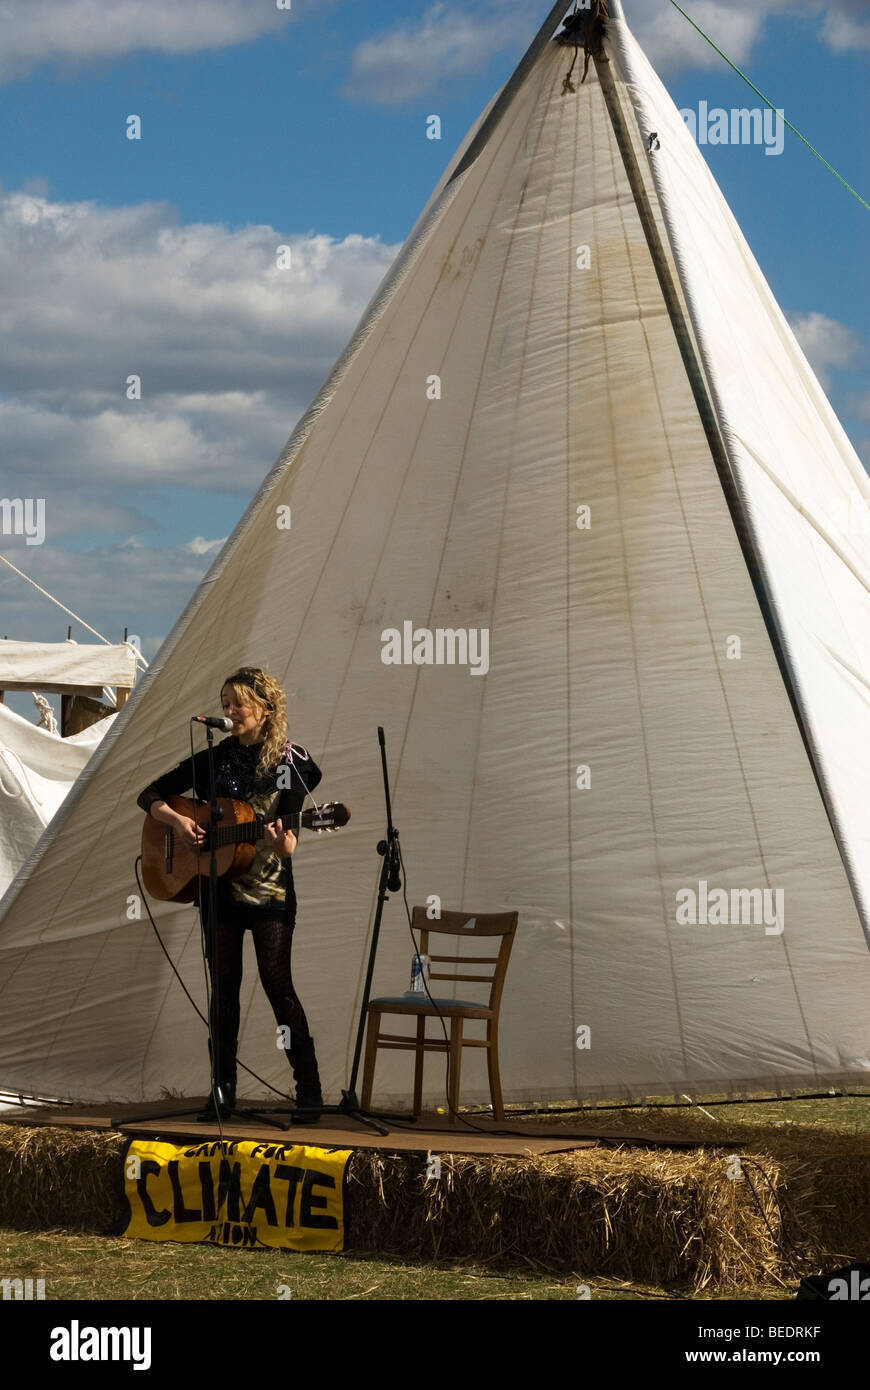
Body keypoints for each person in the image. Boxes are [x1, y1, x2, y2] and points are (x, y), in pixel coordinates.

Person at [136, 666, 324, 1122]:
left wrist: (282, 841)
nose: (230, 712)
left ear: (264, 707)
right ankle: (222, 1091)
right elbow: (150, 794)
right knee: (223, 990)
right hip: (218, 889)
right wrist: (180, 823)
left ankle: (310, 1091)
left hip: (268, 893)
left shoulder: (289, 762)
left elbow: (290, 840)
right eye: (225, 705)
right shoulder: (215, 758)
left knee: (278, 985)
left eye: (238, 703)